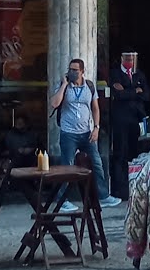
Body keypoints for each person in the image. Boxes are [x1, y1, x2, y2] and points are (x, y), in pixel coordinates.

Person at [49, 56, 117, 206]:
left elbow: (95, 108)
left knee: (96, 163)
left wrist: (96, 128)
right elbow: (54, 103)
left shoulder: (89, 86)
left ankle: (103, 196)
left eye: (75, 70)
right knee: (67, 165)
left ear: (82, 71)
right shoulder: (63, 85)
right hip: (69, 133)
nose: (72, 72)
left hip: (86, 132)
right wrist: (64, 85)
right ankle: (62, 200)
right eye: (70, 70)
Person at [104, 50, 150, 198]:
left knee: (137, 153)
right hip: (120, 120)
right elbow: (117, 95)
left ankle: (138, 188)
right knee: (120, 153)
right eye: (128, 58)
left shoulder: (139, 74)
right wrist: (135, 91)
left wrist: (128, 91)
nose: (130, 61)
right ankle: (121, 190)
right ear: (122, 59)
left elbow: (146, 95)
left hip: (136, 119)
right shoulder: (115, 74)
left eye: (132, 59)